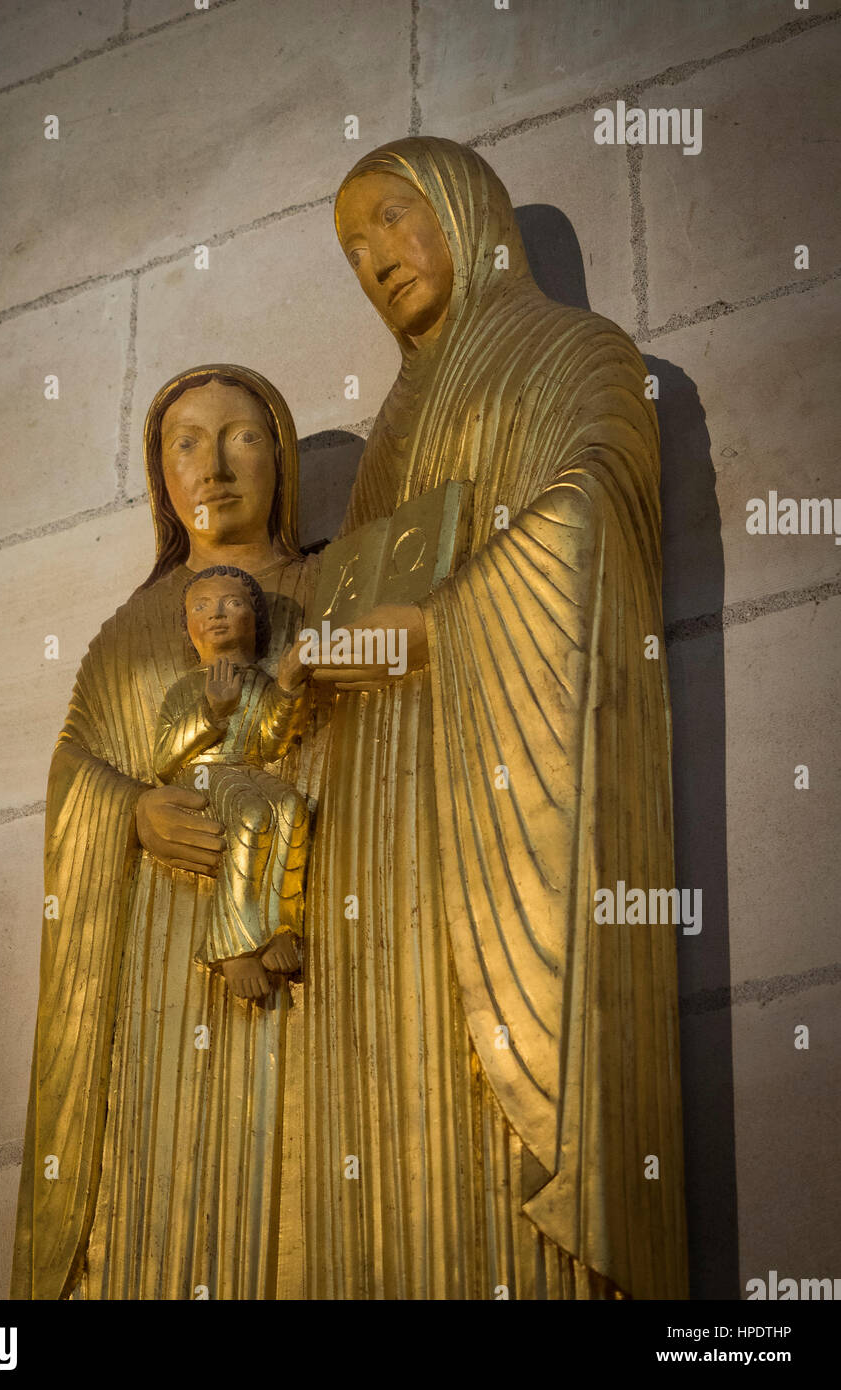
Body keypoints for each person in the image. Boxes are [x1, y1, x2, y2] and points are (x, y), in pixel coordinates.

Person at [296, 136, 688, 1299]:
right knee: (396, 1102)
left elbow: (592, 509)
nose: (372, 261)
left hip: (508, 771)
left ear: (467, 210)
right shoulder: (385, 449)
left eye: (389, 220)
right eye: (351, 249)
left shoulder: (578, 351)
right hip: (381, 809)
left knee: (501, 1108)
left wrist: (445, 625)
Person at [12, 366, 318, 1299]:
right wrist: (134, 812)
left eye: (241, 436)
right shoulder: (129, 631)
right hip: (156, 950)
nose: (214, 466)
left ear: (280, 455)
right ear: (159, 474)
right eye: (185, 441)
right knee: (171, 1179)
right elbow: (75, 772)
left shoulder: (329, 583)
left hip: (297, 900)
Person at [153, 565, 309, 999]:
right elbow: (163, 760)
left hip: (246, 767)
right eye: (201, 607)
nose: (216, 614)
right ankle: (234, 947)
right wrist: (212, 711)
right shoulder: (186, 687)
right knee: (253, 815)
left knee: (292, 807)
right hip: (201, 774)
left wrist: (288, 686)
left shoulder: (258, 680)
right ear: (188, 626)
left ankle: (280, 925)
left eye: (232, 603)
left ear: (255, 622)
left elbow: (271, 743)